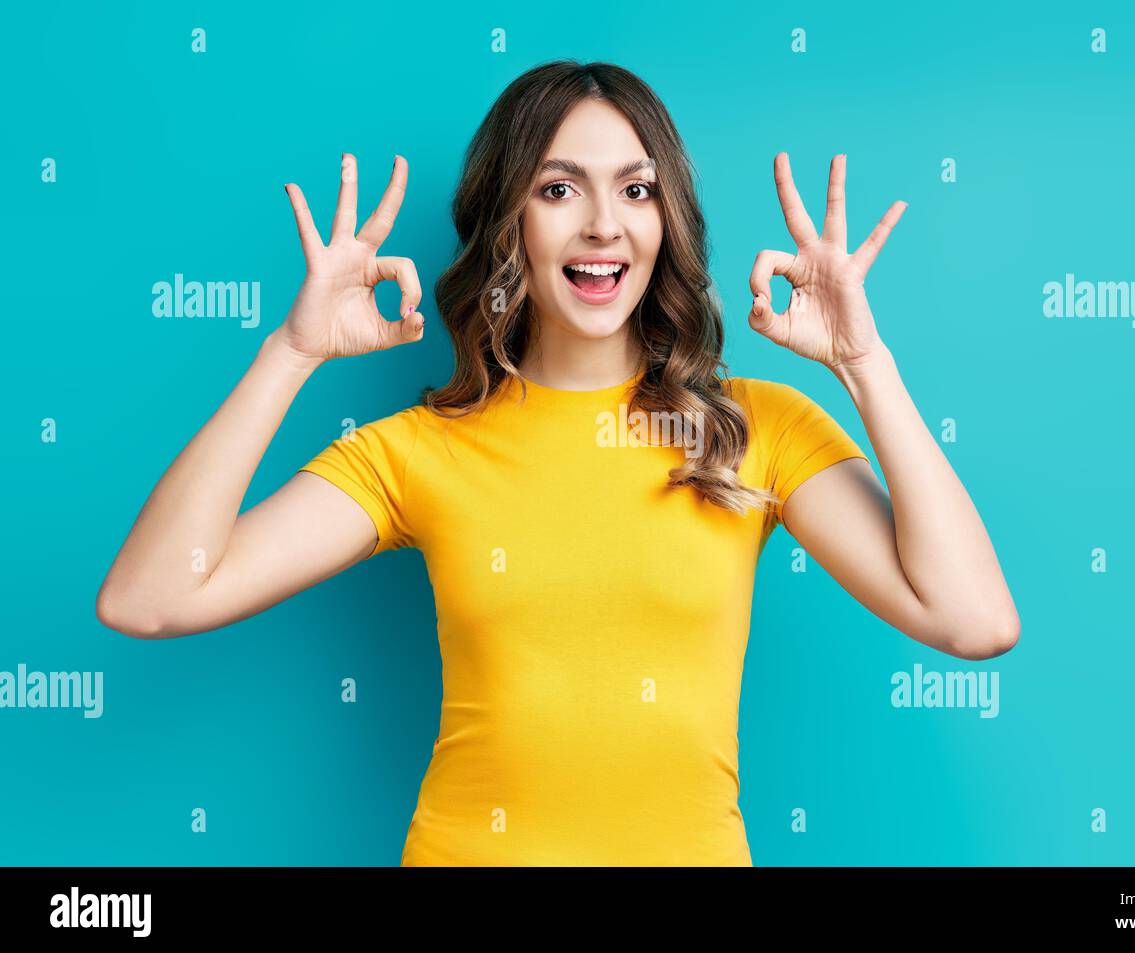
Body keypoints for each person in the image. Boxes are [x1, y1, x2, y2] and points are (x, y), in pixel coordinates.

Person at [96, 60, 1020, 866]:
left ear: (668, 221)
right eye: (558, 188)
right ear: (509, 220)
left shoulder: (750, 431)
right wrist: (290, 353)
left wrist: (866, 365)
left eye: (636, 188)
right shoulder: (419, 449)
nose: (603, 227)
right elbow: (150, 597)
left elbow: (973, 620)